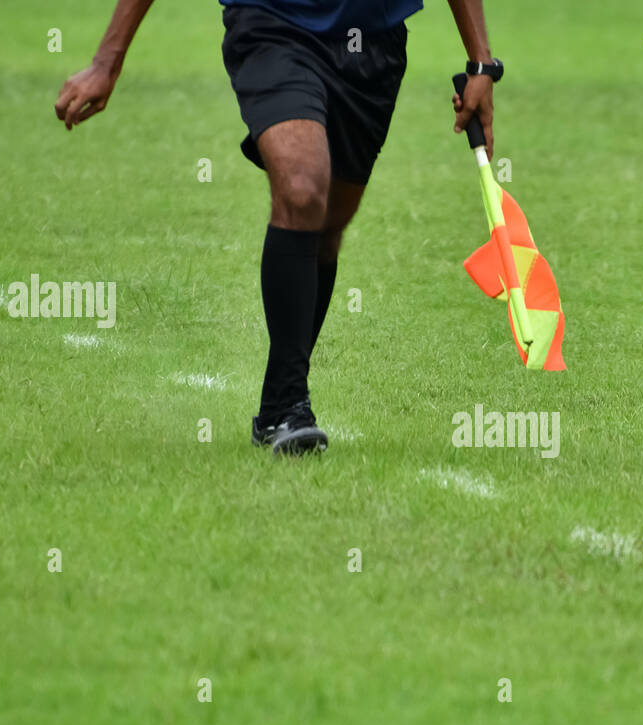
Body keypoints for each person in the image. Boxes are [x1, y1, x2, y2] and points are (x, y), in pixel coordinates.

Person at [55, 0, 503, 453]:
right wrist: (106, 63)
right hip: (273, 23)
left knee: (328, 228)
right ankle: (290, 407)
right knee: (303, 189)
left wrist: (481, 62)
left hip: (372, 43)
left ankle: (276, 406)